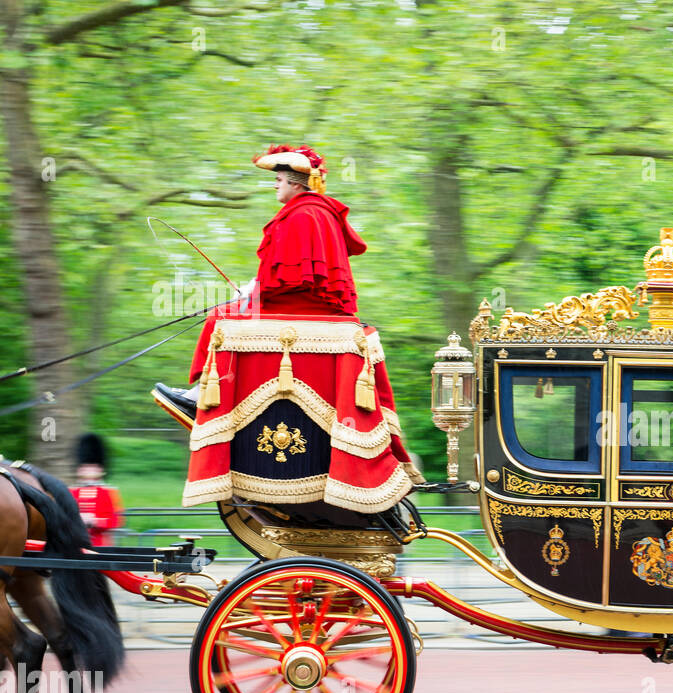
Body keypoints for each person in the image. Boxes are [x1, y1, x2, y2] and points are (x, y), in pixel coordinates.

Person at [154, 144, 421, 514]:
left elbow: (288, 278)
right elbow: (294, 272)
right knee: (227, 312)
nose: (275, 186)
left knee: (220, 319)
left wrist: (253, 292)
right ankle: (201, 394)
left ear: (296, 182)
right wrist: (255, 290)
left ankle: (202, 396)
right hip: (309, 306)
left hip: (302, 309)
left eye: (279, 180)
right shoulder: (315, 212)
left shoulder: (303, 214)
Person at [71, 433, 123, 548]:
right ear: (79, 469)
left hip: (101, 546)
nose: (88, 471)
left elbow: (116, 521)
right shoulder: (72, 492)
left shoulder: (108, 492)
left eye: (92, 467)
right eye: (85, 467)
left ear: (100, 469)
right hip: (76, 545)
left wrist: (95, 521)